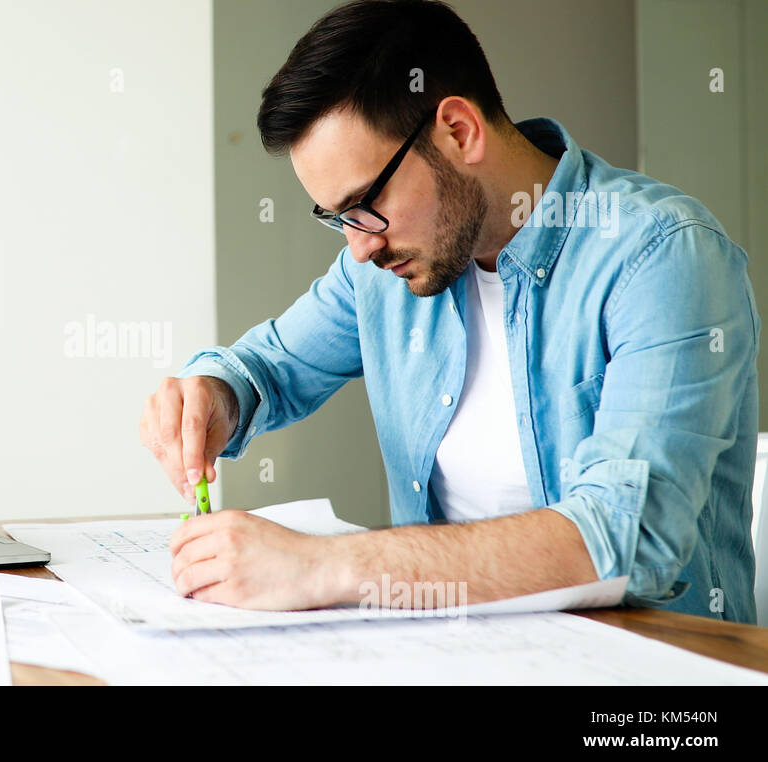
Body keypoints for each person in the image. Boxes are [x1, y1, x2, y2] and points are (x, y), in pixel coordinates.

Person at [138, 0, 759, 622]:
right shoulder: (383, 268)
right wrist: (213, 395)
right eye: (338, 218)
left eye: (366, 203)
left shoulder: (663, 257)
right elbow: (265, 368)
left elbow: (627, 542)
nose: (359, 246)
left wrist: (324, 565)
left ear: (459, 131)